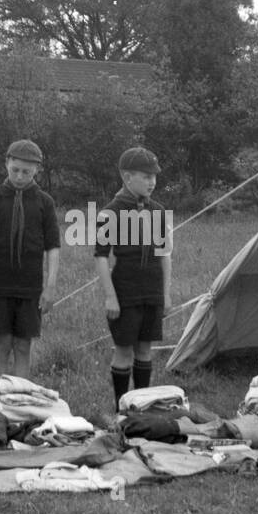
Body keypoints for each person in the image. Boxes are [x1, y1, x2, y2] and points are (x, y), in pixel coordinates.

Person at [0, 139, 61, 378]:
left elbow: (53, 247)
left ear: (37, 170)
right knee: (2, 344)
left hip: (31, 287)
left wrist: (50, 287)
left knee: (23, 345)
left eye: (26, 171)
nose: (20, 176)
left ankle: (19, 398)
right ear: (6, 164)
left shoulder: (45, 203)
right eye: (15, 170)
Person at [95, 146, 172, 410]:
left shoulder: (159, 211)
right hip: (124, 291)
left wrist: (166, 293)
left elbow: (165, 254)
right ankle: (120, 408)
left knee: (145, 350)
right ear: (127, 178)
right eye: (145, 176)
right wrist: (110, 297)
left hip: (151, 290)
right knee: (124, 350)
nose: (152, 182)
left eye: (154, 177)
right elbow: (101, 257)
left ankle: (141, 406)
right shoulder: (110, 212)